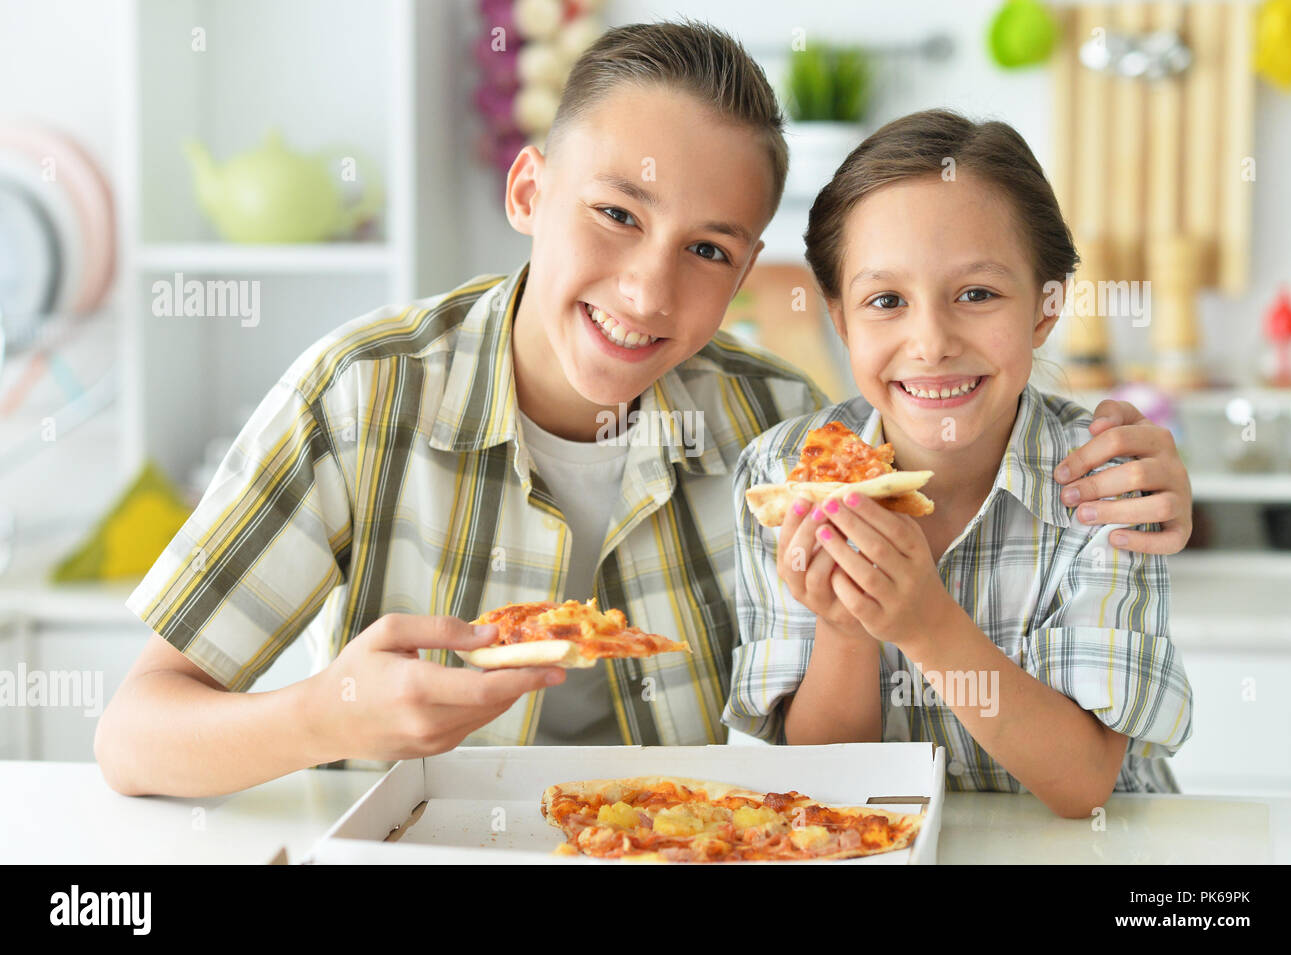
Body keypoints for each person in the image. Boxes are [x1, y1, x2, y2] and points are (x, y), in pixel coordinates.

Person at [96, 24, 1193, 799]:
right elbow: (135, 736)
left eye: (707, 249)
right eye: (615, 213)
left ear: (746, 270)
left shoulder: (782, 429)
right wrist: (323, 715)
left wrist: (1137, 472)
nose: (646, 290)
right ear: (529, 192)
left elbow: (946, 475)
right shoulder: (363, 395)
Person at [723, 109, 1193, 817]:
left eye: (977, 294)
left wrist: (926, 624)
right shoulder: (786, 472)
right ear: (841, 318)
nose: (931, 341)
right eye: (886, 300)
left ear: (1045, 306)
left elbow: (1085, 781)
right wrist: (847, 627)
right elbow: (828, 781)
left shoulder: (1104, 478)